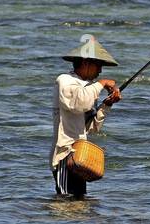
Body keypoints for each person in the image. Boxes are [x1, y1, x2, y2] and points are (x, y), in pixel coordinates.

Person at [52, 37, 121, 198]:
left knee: (79, 204)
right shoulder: (65, 80)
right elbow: (79, 103)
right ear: (85, 62)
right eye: (99, 65)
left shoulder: (87, 88)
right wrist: (102, 84)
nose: (100, 71)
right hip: (65, 157)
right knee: (65, 202)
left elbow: (91, 127)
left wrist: (107, 105)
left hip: (79, 157)